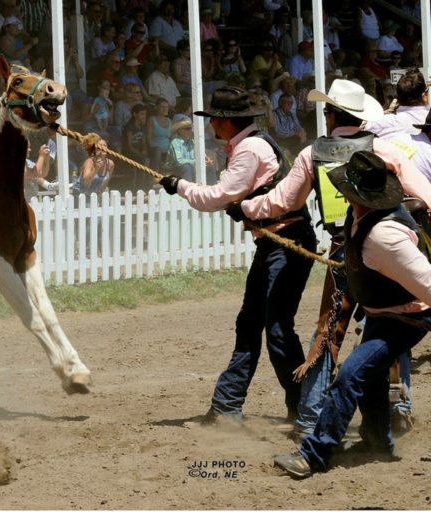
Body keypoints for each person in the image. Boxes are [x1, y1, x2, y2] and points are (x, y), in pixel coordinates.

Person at [227, 79, 431, 437]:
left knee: (328, 331)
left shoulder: (312, 153)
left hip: (344, 250)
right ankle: (398, 405)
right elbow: (425, 196)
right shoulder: (384, 150)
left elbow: (282, 202)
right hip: (383, 248)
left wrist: (245, 208)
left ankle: (309, 416)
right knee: (390, 321)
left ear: (331, 114)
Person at [158, 86, 317, 422]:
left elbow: (220, 196)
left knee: (276, 328)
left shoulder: (248, 149)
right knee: (253, 323)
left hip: (286, 243)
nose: (212, 124)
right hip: (277, 242)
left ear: (226, 121)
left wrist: (180, 187)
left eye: (215, 119)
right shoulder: (251, 144)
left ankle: (305, 406)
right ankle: (230, 405)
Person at [273, 150, 430, 479]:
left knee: (349, 377)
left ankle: (313, 455)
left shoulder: (386, 237)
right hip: (383, 312)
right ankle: (378, 442)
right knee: (369, 376)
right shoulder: (361, 216)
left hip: (405, 318)